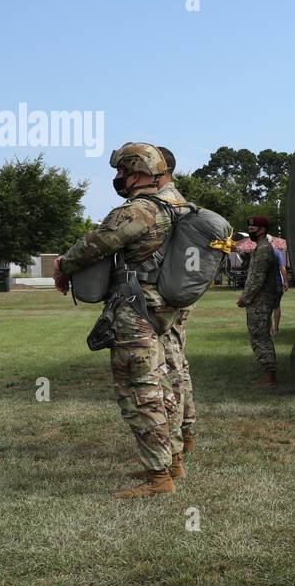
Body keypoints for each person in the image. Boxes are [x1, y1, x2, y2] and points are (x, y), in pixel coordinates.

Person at [53, 142, 182, 498]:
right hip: (162, 310)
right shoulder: (178, 206)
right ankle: (171, 461)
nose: (118, 178)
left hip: (134, 312)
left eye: (122, 171)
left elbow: (95, 244)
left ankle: (159, 478)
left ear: (137, 170)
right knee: (161, 386)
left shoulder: (139, 210)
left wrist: (63, 265)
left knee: (140, 391)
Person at [152, 147, 197, 470]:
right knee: (178, 363)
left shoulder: (163, 203)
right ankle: (187, 430)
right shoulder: (179, 200)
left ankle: (175, 448)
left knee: (168, 369)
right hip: (178, 292)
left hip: (164, 295)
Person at [237, 215, 286, 386]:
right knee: (261, 335)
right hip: (260, 300)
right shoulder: (261, 248)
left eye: (252, 230)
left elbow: (257, 278)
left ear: (262, 230)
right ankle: (269, 373)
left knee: (260, 337)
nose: (250, 233)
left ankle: (269, 376)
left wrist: (246, 298)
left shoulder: (264, 250)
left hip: (260, 302)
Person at [270, 231, 290, 336]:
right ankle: (276, 329)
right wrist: (286, 281)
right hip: (277, 284)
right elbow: (282, 268)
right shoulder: (277, 252)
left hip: (264, 286)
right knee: (276, 306)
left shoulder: (259, 253)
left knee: (267, 308)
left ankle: (268, 330)